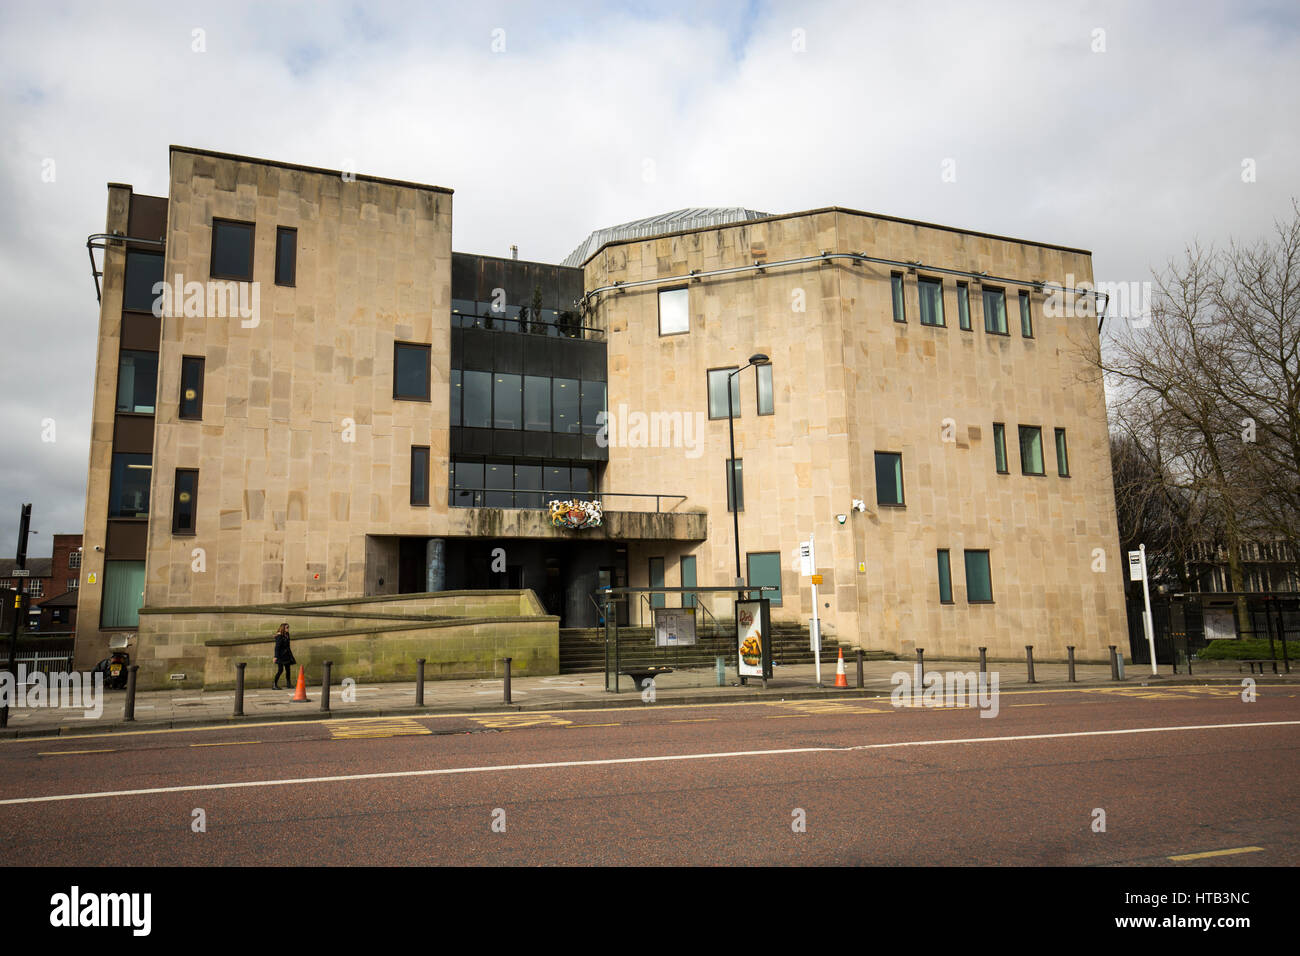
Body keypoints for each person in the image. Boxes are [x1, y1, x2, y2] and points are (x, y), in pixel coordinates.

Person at [273, 623, 296, 690]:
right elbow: (277, 647)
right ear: (283, 628)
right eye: (287, 627)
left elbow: (288, 646)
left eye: (288, 627)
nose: (288, 629)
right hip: (280, 656)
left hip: (287, 655)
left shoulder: (287, 635)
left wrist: (290, 655)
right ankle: (274, 685)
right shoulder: (279, 636)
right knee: (280, 670)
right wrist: (275, 656)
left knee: (288, 670)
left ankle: (288, 684)